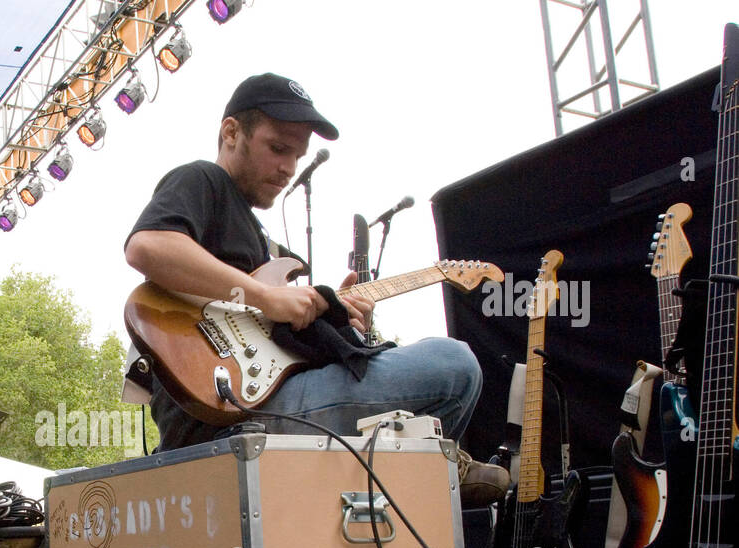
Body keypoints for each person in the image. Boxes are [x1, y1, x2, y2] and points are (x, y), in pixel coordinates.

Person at [124, 73, 508, 505]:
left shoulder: (267, 244)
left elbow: (275, 337)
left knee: (416, 361)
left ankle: (401, 487)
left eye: (298, 154)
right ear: (231, 132)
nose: (289, 168)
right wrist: (268, 296)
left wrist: (339, 318)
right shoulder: (202, 181)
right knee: (454, 365)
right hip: (228, 414)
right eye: (278, 148)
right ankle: (426, 476)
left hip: (265, 397)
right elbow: (148, 246)